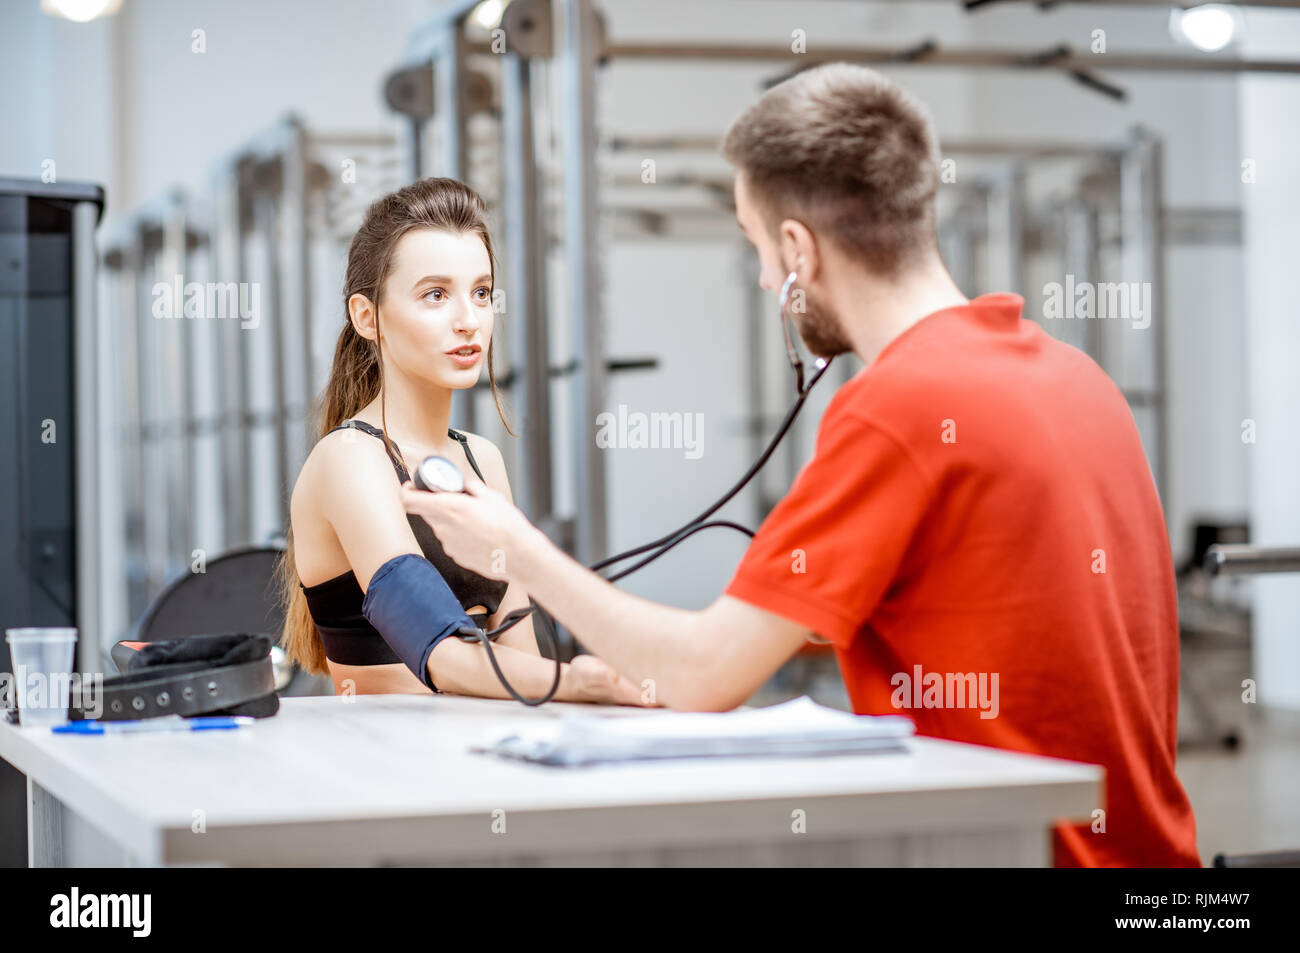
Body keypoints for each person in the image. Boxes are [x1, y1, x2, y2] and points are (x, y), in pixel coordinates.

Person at [399, 64, 1201, 867]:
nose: (760, 277)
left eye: (755, 244)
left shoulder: (898, 405)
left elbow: (705, 677)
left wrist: (516, 549)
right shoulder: (1075, 375)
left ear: (796, 249)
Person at [278, 177, 643, 706]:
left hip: (485, 745)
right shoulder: (349, 458)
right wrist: (581, 682)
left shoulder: (482, 459)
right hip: (384, 753)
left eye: (481, 293)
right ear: (367, 317)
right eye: (435, 295)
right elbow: (441, 654)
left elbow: (522, 656)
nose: (469, 321)